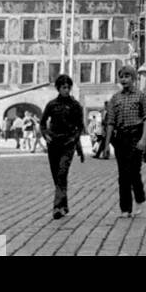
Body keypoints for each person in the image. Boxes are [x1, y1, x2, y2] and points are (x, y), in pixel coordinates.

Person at [101, 65, 146, 218]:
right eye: (121, 76)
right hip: (121, 138)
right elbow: (110, 122)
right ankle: (125, 208)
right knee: (123, 174)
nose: (124, 79)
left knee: (134, 172)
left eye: (127, 76)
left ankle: (139, 199)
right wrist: (106, 145)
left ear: (134, 78)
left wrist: (144, 139)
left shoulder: (141, 96)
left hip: (136, 136)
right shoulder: (115, 98)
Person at [40, 74, 86, 220]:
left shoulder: (75, 105)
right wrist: (45, 135)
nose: (66, 90)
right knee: (57, 176)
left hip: (68, 143)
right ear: (58, 88)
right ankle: (64, 205)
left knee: (62, 172)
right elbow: (42, 123)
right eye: (63, 87)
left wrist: (75, 141)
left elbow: (80, 126)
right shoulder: (51, 105)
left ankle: (57, 207)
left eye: (68, 87)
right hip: (53, 143)